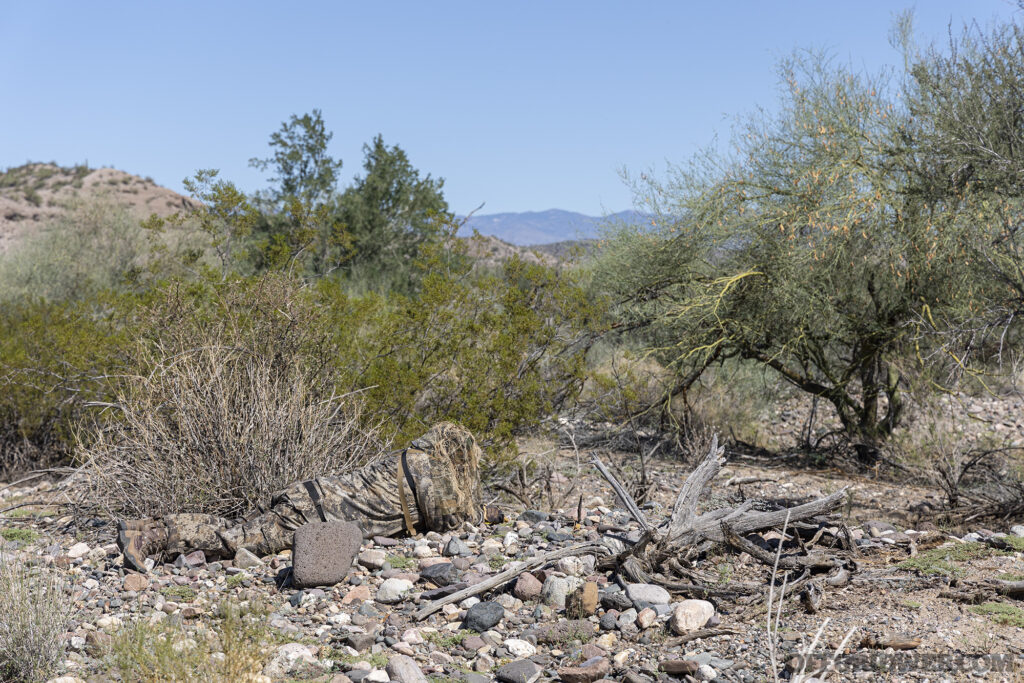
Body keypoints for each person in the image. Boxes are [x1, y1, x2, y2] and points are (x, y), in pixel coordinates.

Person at [117, 422, 482, 573]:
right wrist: (485, 514)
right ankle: (151, 538)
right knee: (236, 541)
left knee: (238, 530)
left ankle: (145, 526)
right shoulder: (428, 467)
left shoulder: (409, 457)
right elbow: (447, 522)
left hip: (310, 495)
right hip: (313, 513)